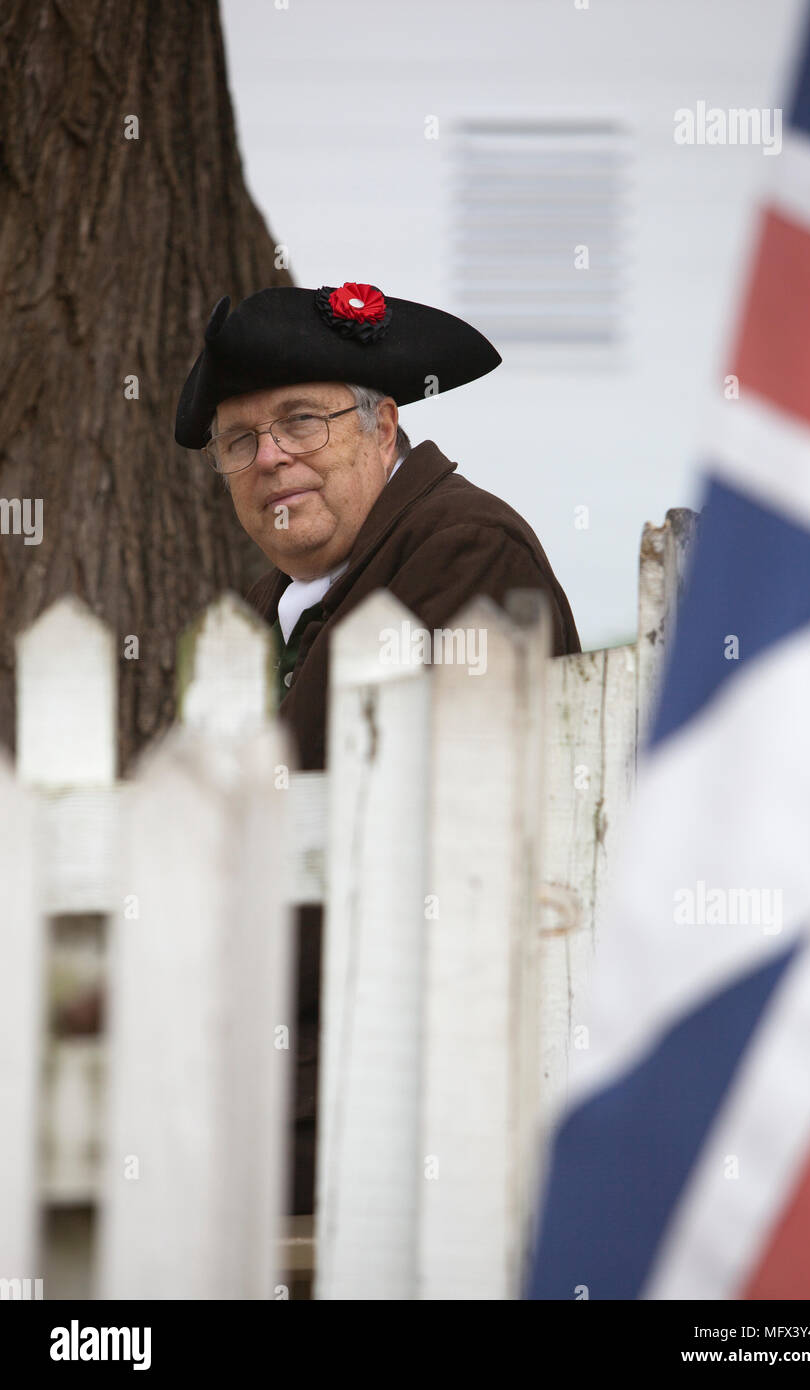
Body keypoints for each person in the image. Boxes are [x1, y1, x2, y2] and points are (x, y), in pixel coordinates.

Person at [175, 280, 581, 1219]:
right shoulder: (259, 616)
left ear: (383, 426)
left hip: (403, 1091)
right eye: (240, 441)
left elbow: (425, 877)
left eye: (302, 422)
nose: (270, 458)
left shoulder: (466, 555)